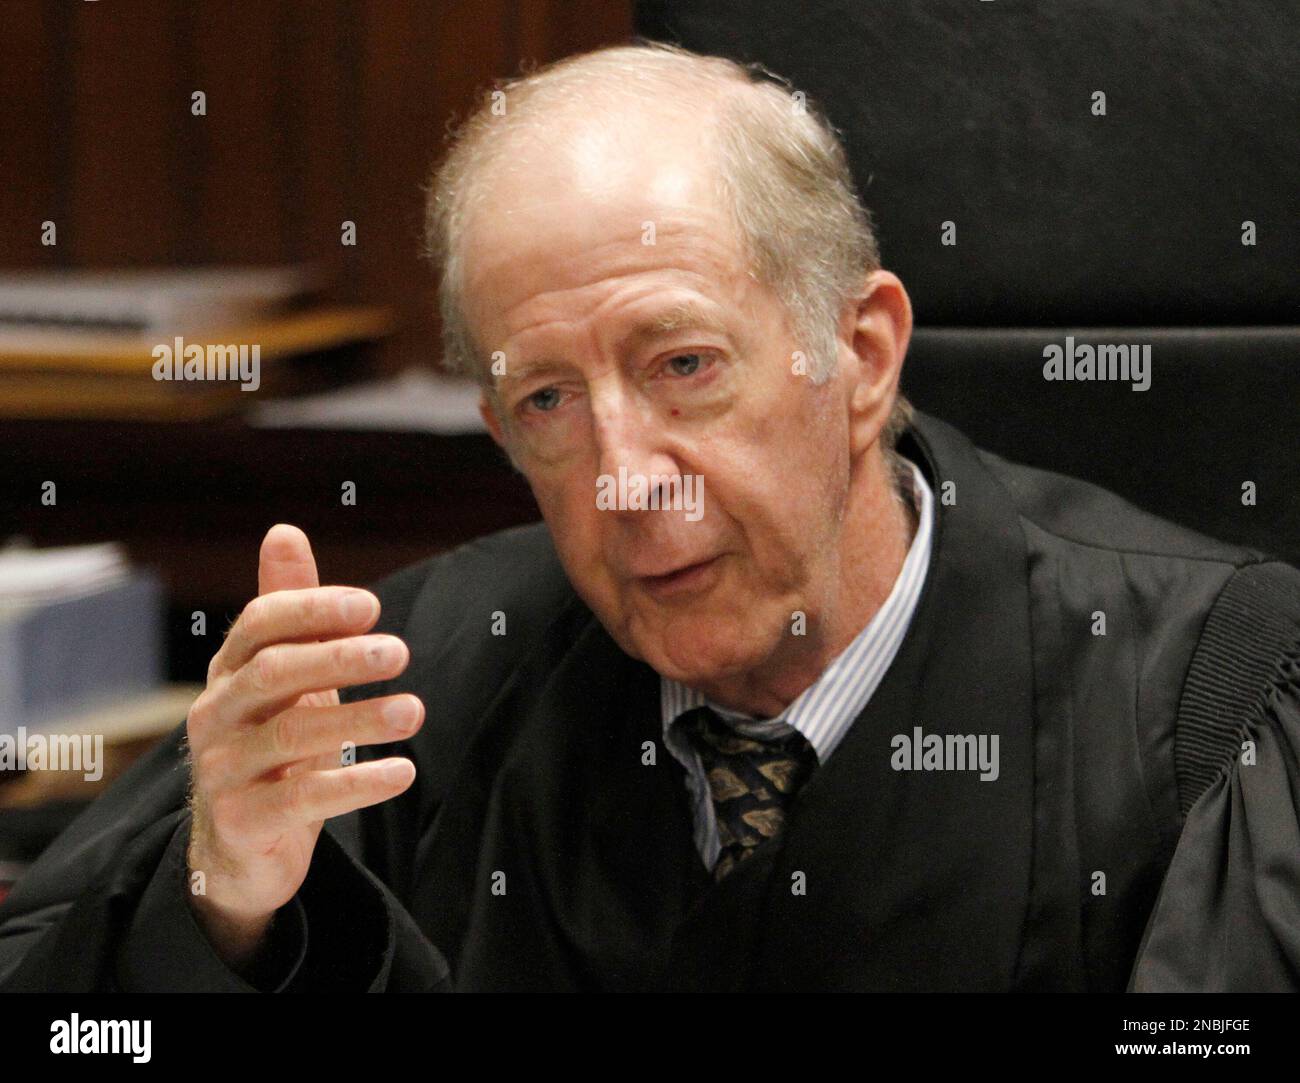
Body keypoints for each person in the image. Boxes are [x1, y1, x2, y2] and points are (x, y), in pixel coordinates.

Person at [2, 42, 1298, 993]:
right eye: (550, 399)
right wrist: (225, 914)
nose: (626, 476)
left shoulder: (1207, 705)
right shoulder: (401, 684)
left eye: (684, 366)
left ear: (861, 355)